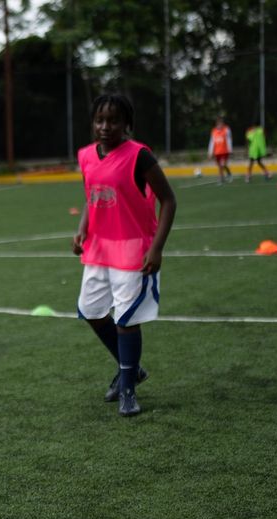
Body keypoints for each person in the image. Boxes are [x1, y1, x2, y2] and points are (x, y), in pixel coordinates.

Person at [72, 94, 177, 417]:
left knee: (126, 319)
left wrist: (156, 247)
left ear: (126, 124)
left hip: (134, 249)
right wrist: (82, 229)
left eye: (113, 120)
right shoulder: (86, 155)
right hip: (98, 248)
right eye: (100, 120)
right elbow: (92, 196)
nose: (105, 126)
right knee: (91, 310)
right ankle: (131, 368)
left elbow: (169, 200)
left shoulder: (139, 156)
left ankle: (128, 390)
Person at [207, 116, 233, 185]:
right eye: (218, 122)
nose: (220, 124)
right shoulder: (214, 131)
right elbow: (212, 142)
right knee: (220, 166)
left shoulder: (226, 129)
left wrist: (230, 150)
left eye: (221, 122)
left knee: (223, 165)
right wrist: (210, 152)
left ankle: (226, 176)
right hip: (217, 152)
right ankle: (223, 178)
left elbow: (229, 140)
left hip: (225, 151)